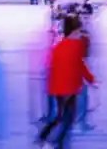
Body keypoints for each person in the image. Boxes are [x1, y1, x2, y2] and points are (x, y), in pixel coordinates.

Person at [37, 15, 96, 149]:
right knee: (67, 119)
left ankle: (45, 137)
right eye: (79, 31)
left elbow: (53, 66)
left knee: (61, 117)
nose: (80, 34)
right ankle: (57, 143)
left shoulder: (58, 46)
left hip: (58, 88)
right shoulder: (77, 45)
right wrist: (91, 79)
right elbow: (80, 65)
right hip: (69, 88)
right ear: (74, 31)